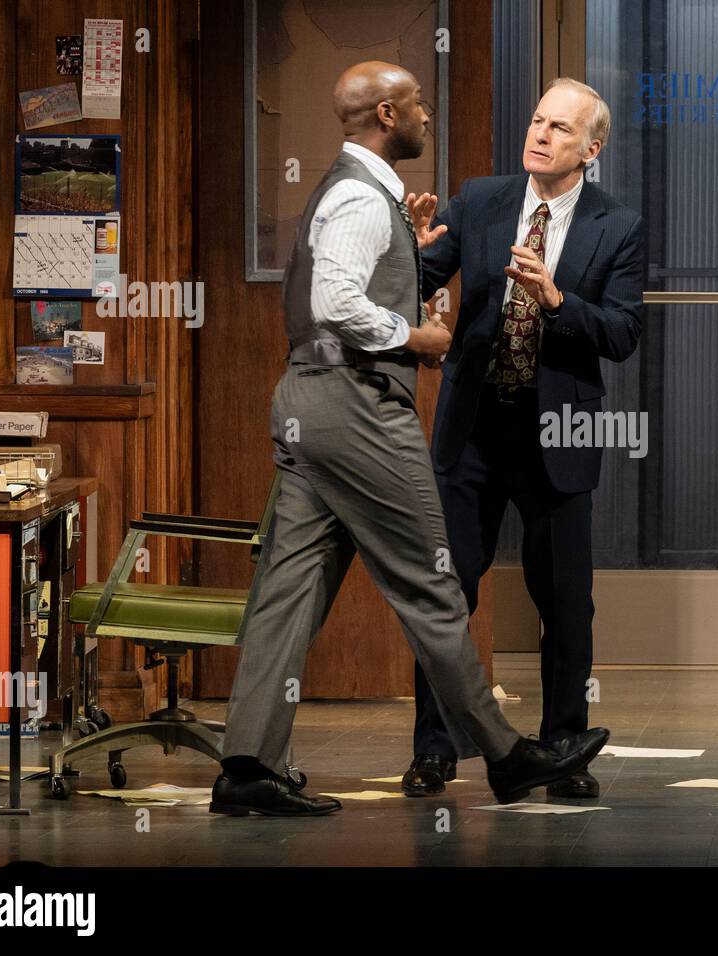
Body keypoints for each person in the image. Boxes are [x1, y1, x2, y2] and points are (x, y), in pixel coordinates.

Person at [211, 62, 609, 817]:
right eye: (419, 104)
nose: (428, 114)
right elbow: (337, 303)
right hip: (359, 410)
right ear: (390, 115)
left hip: (308, 404)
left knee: (287, 593)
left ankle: (247, 765)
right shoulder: (364, 198)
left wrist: (409, 259)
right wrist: (416, 336)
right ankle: (503, 755)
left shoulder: (350, 191)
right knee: (433, 583)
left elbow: (363, 285)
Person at [402, 78, 644, 800]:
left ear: (590, 148)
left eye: (560, 128)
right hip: (475, 431)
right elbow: (418, 277)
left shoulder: (616, 225)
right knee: (447, 593)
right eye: (537, 119)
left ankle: (566, 747)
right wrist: (409, 252)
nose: (540, 134)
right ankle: (435, 748)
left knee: (565, 600)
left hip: (557, 432)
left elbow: (624, 332)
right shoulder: (479, 200)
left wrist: (557, 300)